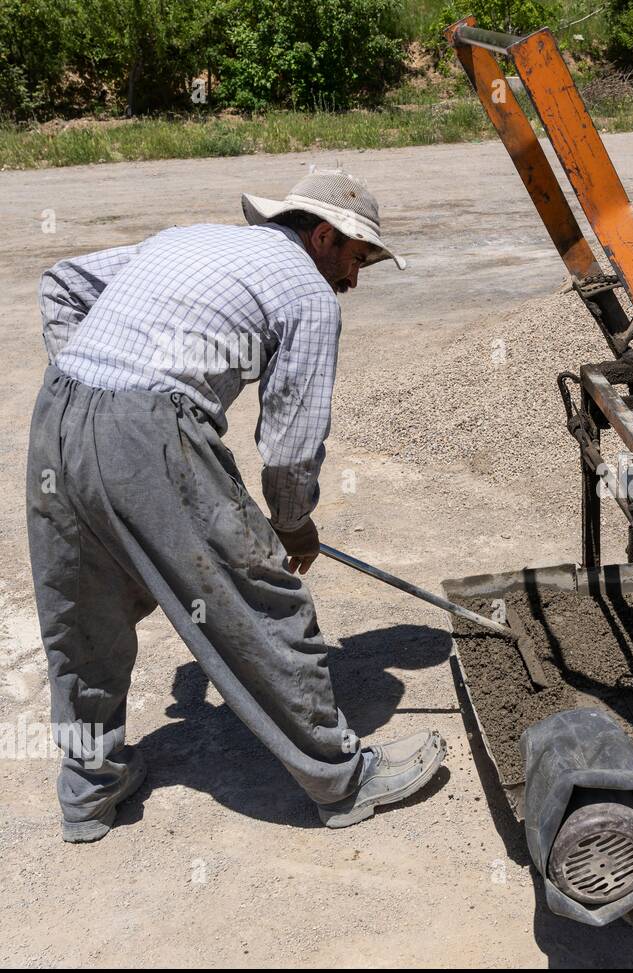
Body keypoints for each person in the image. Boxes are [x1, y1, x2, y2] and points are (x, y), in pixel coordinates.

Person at [28, 168, 445, 842]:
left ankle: (89, 788)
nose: (356, 278)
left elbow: (62, 283)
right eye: (358, 257)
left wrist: (89, 378)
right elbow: (289, 444)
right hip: (150, 431)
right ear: (323, 235)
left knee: (83, 609)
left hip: (59, 414)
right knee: (261, 605)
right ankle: (342, 782)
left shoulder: (187, 240)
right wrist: (290, 523)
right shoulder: (309, 294)